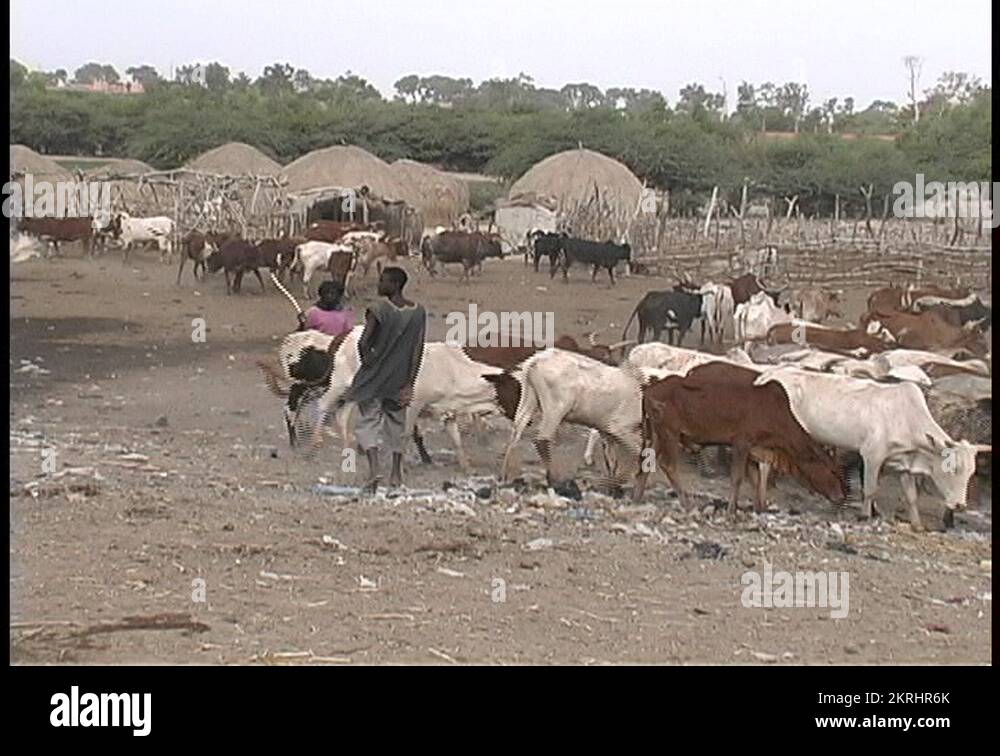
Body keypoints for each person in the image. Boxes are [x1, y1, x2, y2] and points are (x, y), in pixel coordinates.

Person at [338, 267, 426, 492]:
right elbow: (417, 350)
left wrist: (368, 361)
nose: (379, 284)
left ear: (395, 284)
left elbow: (363, 341)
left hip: (375, 377)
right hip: (399, 379)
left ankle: (375, 469)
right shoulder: (418, 312)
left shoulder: (378, 309)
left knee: (367, 423)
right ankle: (396, 474)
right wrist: (409, 383)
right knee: (397, 425)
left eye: (383, 281)